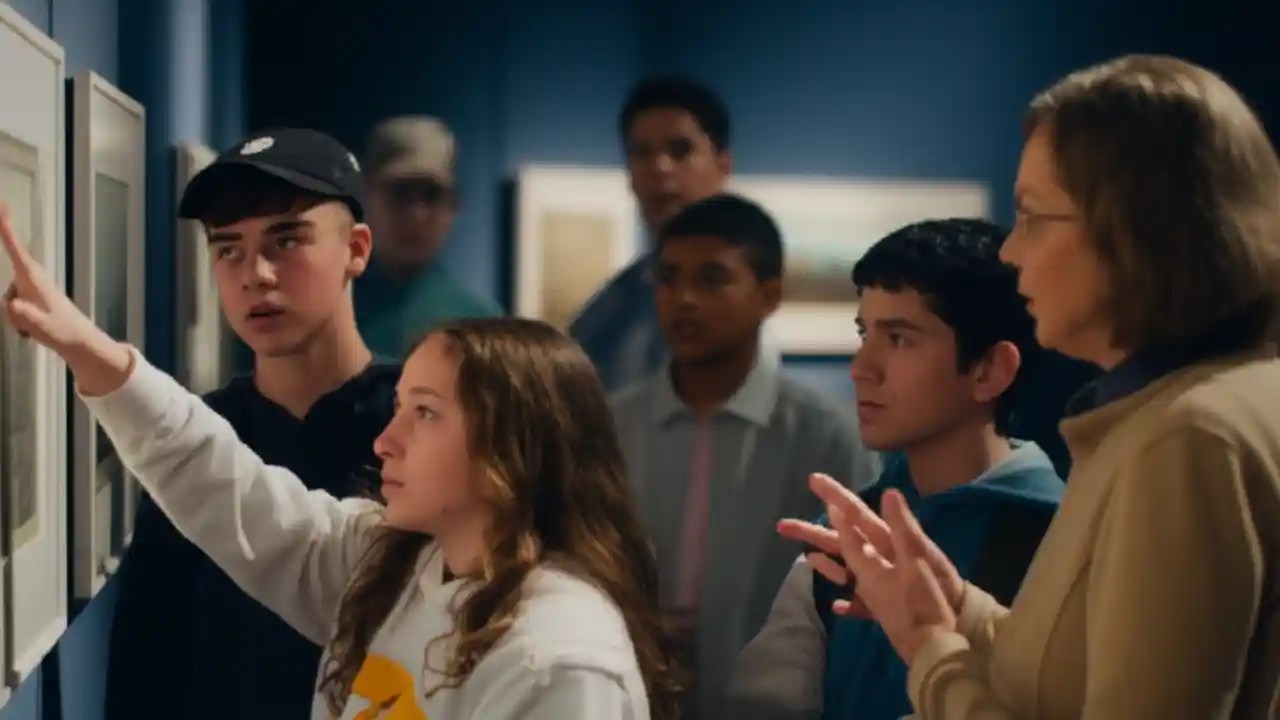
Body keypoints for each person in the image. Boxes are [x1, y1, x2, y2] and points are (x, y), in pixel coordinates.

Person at [0, 204, 681, 717]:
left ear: (513, 446)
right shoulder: (401, 560)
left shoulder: (561, 658)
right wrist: (90, 352)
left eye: (425, 413)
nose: (387, 441)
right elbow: (228, 488)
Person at [785, 54, 1280, 718]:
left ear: (1130, 230)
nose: (1012, 253)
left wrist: (933, 655)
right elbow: (1070, 676)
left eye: (1031, 217)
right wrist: (955, 605)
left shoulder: (1185, 435)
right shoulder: (1186, 411)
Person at [105, 128, 401, 719]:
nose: (255, 274)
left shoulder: (420, 426)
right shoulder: (198, 441)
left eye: (286, 240)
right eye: (228, 249)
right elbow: (146, 666)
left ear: (357, 248)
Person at [728, 219, 1064, 720]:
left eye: (901, 339)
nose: (862, 367)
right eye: (866, 333)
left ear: (989, 370)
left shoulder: (1058, 537)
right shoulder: (845, 537)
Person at [610, 193, 879, 718]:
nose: (683, 298)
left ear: (769, 294)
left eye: (711, 279)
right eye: (668, 278)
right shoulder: (609, 425)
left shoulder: (826, 436)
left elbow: (855, 601)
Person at [570, 76, 737, 392]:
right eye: (642, 153)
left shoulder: (743, 298)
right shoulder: (609, 306)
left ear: (722, 165)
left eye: (680, 150)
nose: (659, 167)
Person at [355, 116, 502, 358]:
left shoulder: (481, 326)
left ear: (454, 208)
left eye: (431, 196)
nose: (416, 215)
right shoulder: (329, 316)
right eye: (400, 193)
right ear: (366, 197)